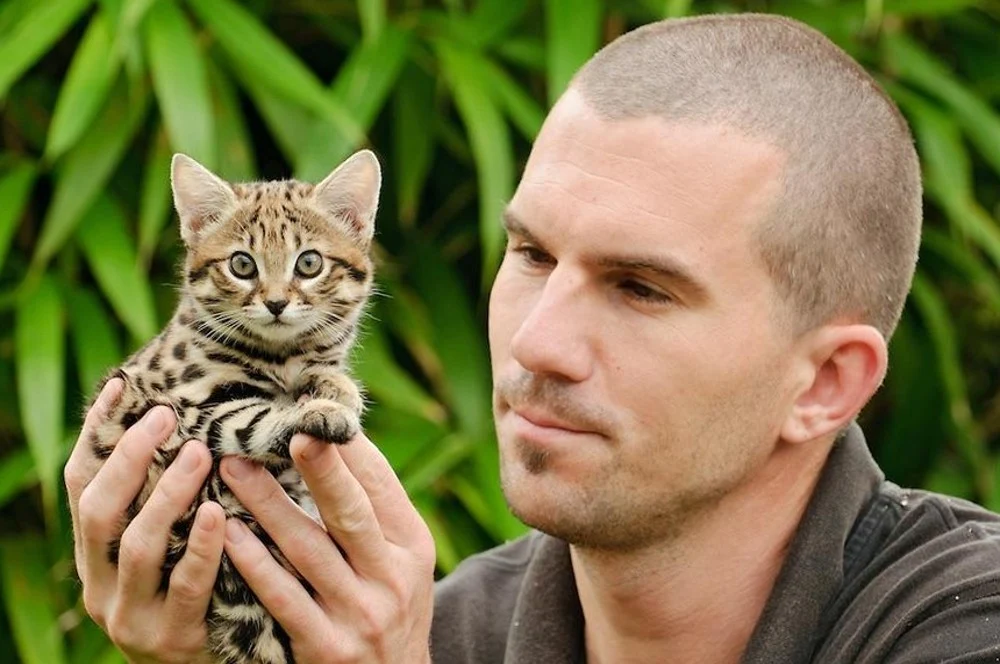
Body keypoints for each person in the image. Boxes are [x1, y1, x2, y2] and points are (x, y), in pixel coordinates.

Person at [64, 13, 1000, 664]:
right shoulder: (446, 625)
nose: (536, 346)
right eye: (532, 254)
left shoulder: (964, 622)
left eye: (642, 287)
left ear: (826, 383)